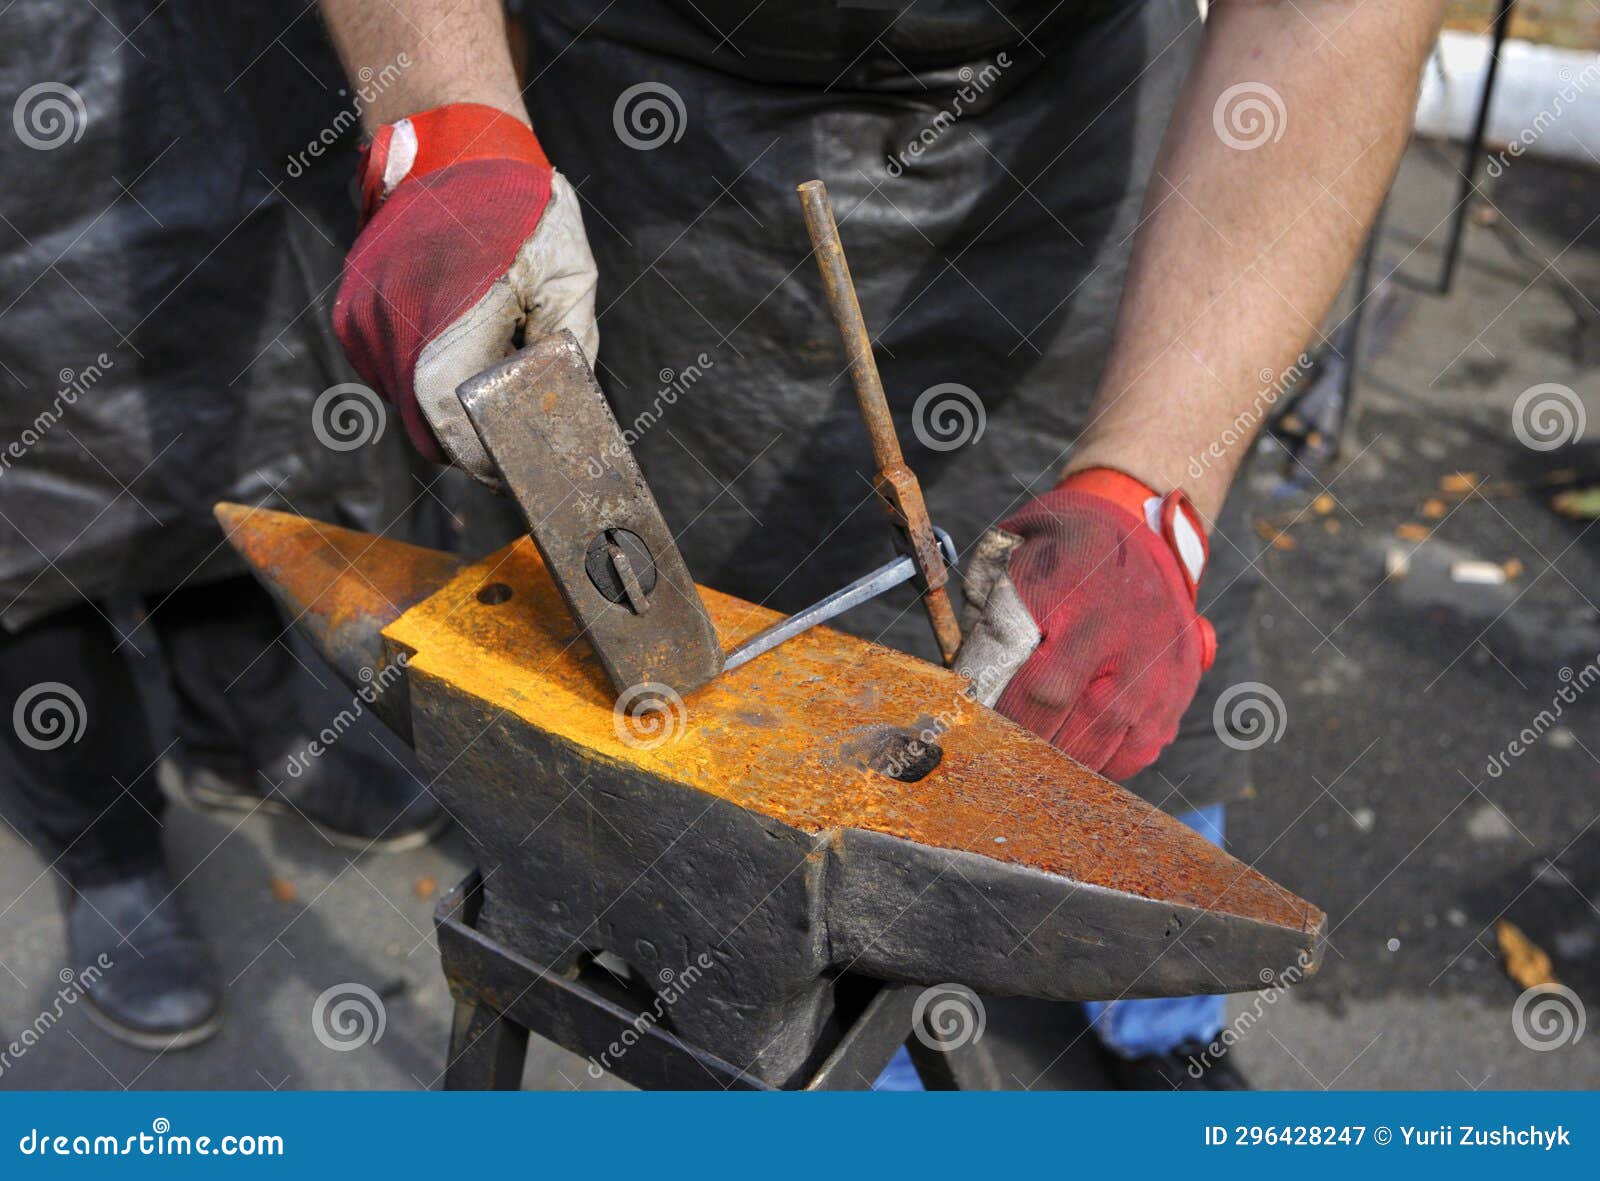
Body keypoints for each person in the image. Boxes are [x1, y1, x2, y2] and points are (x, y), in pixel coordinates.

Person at [319, 0, 1443, 1087]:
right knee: (751, 814)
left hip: (1078, 174)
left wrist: (1158, 488)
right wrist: (442, 120)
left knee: (1110, 679)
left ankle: (1164, 1026)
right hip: (654, 145)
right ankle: (865, 1077)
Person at [0, 2, 445, 1050]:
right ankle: (106, 849)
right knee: (26, 516)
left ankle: (247, 733)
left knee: (211, 433)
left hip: (167, 74)